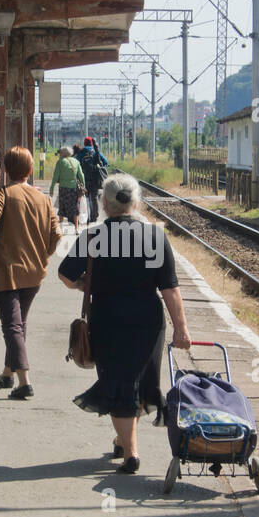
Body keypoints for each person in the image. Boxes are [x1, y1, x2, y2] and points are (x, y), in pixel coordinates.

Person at [57, 173, 190, 475]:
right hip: (148, 321)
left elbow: (65, 274)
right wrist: (182, 328)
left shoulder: (94, 236)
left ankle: (131, 453)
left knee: (118, 383)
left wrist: (83, 286)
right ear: (135, 201)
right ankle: (123, 440)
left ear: (104, 203)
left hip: (108, 318)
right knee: (138, 382)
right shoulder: (155, 236)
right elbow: (170, 288)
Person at [0, 146, 60, 400]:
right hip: (34, 274)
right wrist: (42, 256)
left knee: (12, 326)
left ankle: (24, 382)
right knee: (19, 324)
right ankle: (7, 373)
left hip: (7, 271)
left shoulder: (3, 194)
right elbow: (56, 236)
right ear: (30, 170)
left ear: (8, 169)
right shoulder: (42, 198)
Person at [49, 145, 85, 229]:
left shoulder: (60, 162)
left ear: (63, 153)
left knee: (62, 207)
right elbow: (81, 175)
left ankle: (61, 227)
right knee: (75, 207)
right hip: (74, 189)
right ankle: (76, 228)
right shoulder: (76, 161)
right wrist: (83, 185)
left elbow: (55, 177)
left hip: (63, 188)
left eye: (60, 153)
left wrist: (51, 188)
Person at [75, 136, 108, 223]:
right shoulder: (95, 152)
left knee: (84, 197)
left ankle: (85, 216)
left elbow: (76, 163)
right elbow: (106, 162)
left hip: (84, 179)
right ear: (92, 143)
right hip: (95, 179)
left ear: (84, 143)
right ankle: (94, 216)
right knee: (94, 198)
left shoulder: (81, 152)